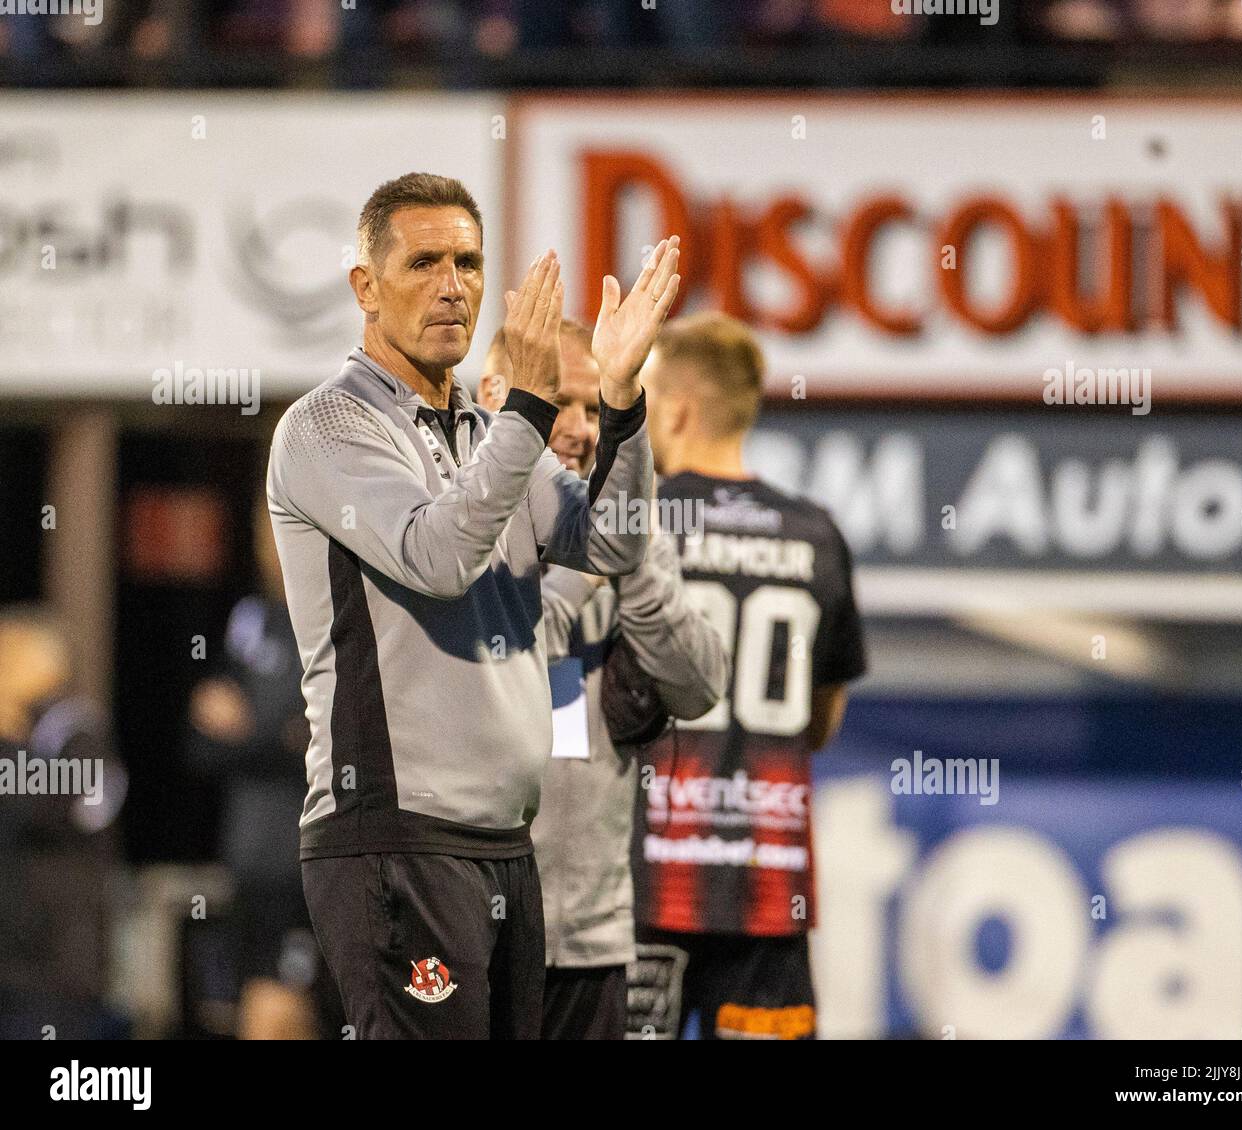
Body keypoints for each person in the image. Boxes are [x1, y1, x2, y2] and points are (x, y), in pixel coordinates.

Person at [266, 171, 680, 1039]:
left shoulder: (492, 437)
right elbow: (438, 555)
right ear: (364, 288)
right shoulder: (326, 429)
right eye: (423, 262)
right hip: (395, 838)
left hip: (503, 846)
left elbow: (614, 543)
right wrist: (530, 407)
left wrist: (623, 401)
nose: (453, 284)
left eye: (468, 261)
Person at [478, 321, 728, 1040]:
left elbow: (699, 685)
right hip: (469, 917)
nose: (584, 430)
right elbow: (504, 664)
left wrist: (625, 548)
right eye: (564, 404)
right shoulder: (457, 518)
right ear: (499, 393)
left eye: (597, 409)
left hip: (589, 928)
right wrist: (584, 568)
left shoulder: (631, 528)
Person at [631, 312, 867, 1040]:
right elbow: (821, 722)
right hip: (770, 886)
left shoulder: (640, 519)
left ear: (675, 407)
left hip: (647, 879)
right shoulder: (817, 533)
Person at [186, 501, 343, 1039]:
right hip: (255, 863)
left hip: (323, 859)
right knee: (258, 1011)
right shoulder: (251, 618)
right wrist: (273, 735)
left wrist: (253, 731)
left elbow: (327, 743)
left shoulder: (344, 616)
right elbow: (203, 743)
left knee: (297, 1012)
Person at [0, 606, 128, 1040]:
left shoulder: (73, 729)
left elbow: (56, 805)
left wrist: (8, 745)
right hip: (15, 953)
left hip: (54, 959)